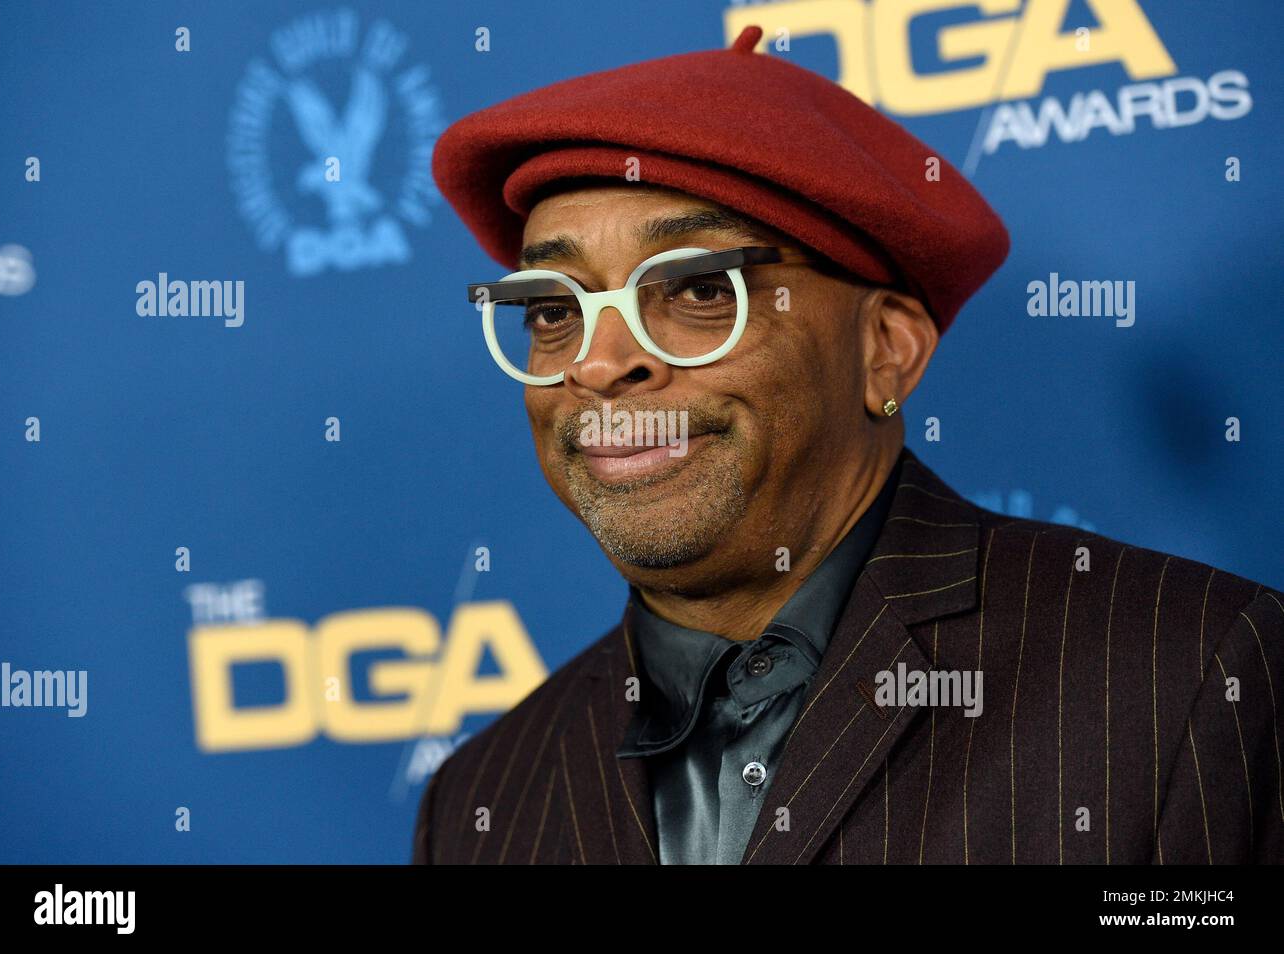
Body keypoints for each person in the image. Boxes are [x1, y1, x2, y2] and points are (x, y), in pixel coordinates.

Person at [412, 25, 1282, 864]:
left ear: (884, 350)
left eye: (698, 289)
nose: (599, 365)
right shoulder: (481, 798)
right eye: (554, 311)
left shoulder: (1189, 672)